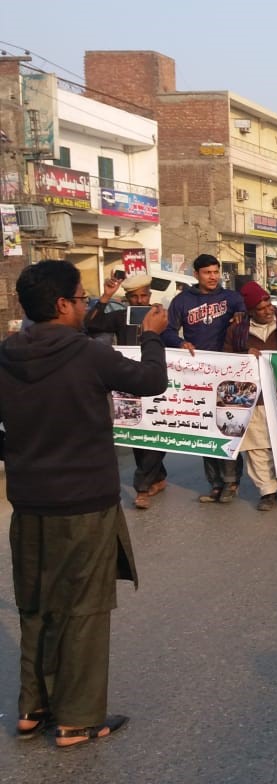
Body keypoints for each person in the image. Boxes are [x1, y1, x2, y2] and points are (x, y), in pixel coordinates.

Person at [0, 259, 169, 748]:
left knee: (36, 605)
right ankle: (76, 719)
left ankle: (33, 708)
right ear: (60, 305)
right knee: (84, 609)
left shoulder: (7, 353)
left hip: (29, 502)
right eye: (79, 298)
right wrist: (153, 334)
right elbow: (151, 381)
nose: (83, 305)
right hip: (83, 504)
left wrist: (17, 454)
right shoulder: (84, 353)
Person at [84, 272, 171, 510]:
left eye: (144, 295)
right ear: (128, 298)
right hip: (130, 381)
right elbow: (90, 324)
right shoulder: (120, 317)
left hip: (156, 379)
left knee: (156, 431)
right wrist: (105, 297)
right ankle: (158, 477)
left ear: (150, 295)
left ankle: (142, 488)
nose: (140, 300)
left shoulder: (160, 315)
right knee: (138, 433)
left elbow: (173, 337)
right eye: (135, 297)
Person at [164, 253, 247, 504]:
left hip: (228, 372)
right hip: (197, 374)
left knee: (228, 427)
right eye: (207, 272)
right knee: (205, 429)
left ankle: (232, 483)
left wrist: (240, 318)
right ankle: (215, 483)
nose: (212, 277)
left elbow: (245, 318)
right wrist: (180, 342)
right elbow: (167, 330)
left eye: (215, 272)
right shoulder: (182, 301)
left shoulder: (231, 298)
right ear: (196, 274)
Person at [223, 282, 277, 511]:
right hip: (254, 398)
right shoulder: (237, 331)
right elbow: (226, 359)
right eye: (261, 308)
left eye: (269, 304)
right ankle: (267, 491)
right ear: (250, 311)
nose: (268, 310)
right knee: (256, 447)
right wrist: (244, 354)